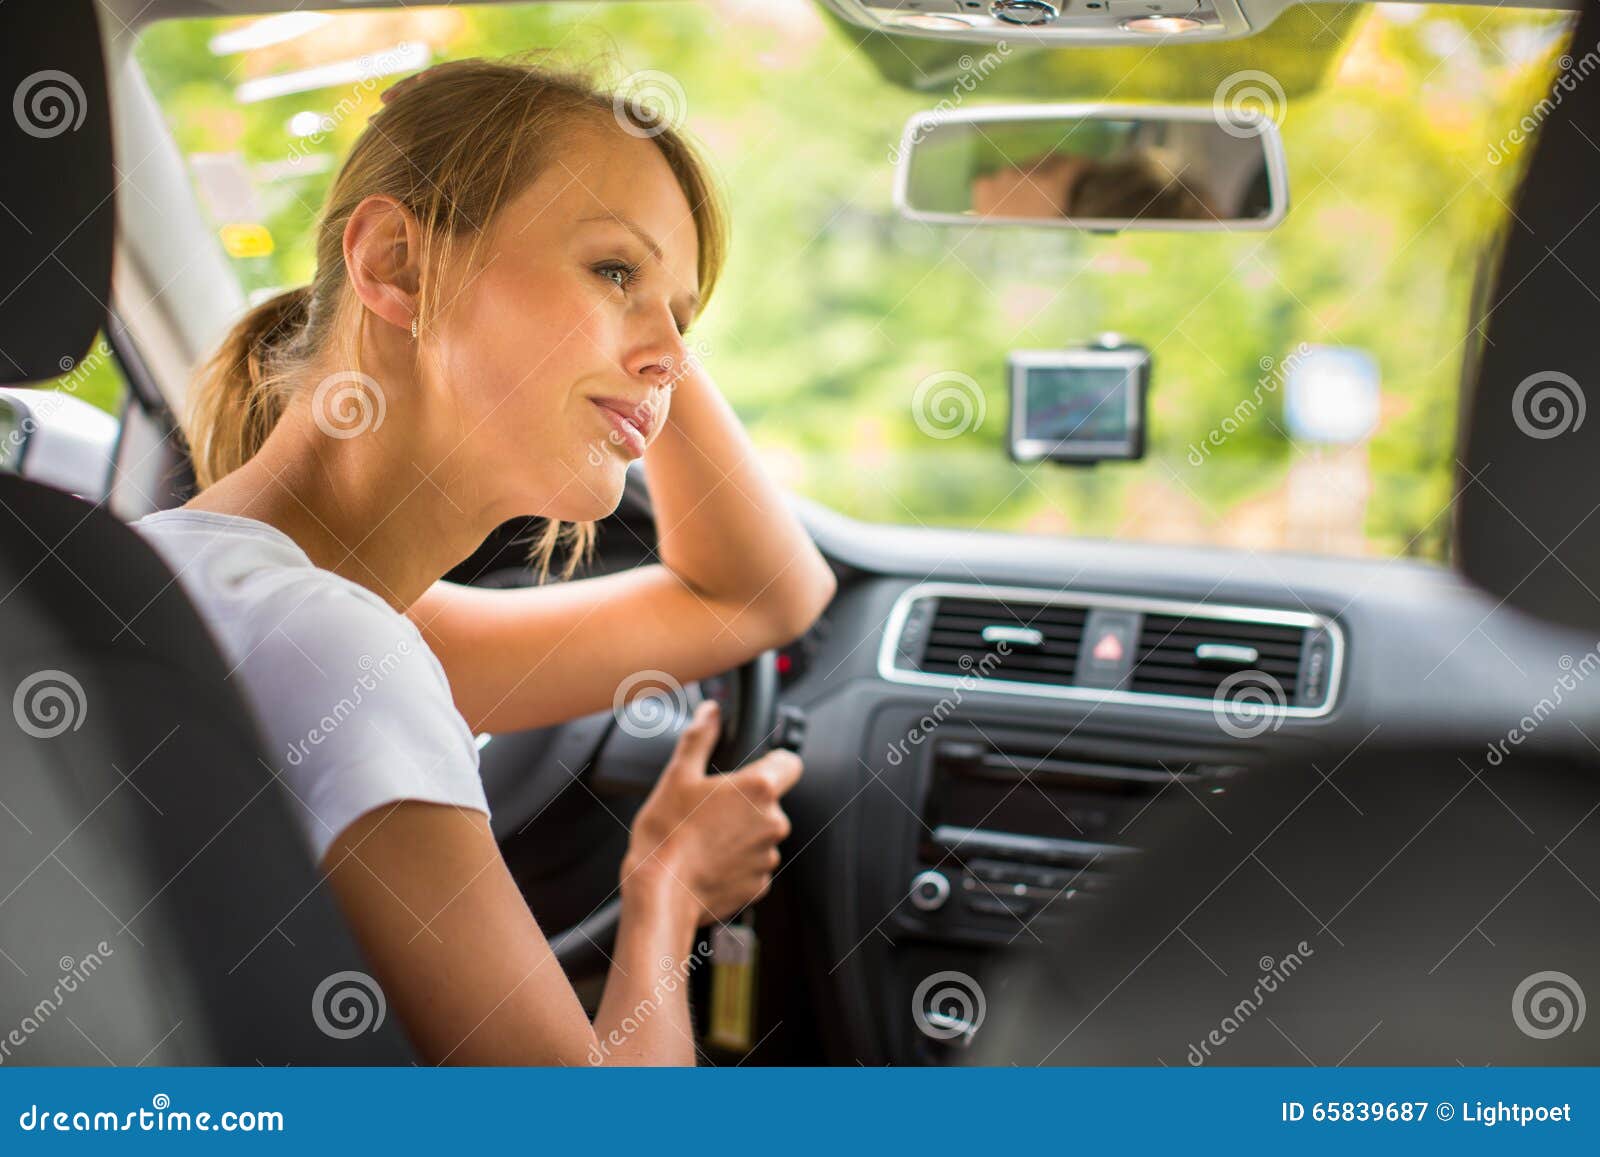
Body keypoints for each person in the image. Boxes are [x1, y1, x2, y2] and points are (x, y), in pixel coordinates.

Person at [129, 58, 836, 1065]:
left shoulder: (199, 583)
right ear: (397, 265)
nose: (674, 356)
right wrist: (666, 890)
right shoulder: (338, 650)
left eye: (685, 317)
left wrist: (636, 329)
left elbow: (760, 592)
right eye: (613, 270)